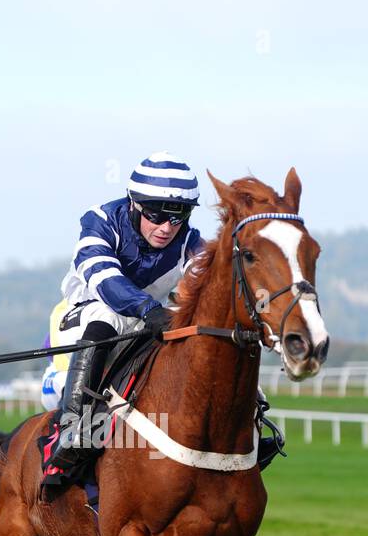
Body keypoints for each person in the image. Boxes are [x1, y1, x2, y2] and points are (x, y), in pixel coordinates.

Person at [39, 151, 283, 488]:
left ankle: (251, 425)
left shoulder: (186, 240)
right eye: (156, 215)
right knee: (105, 315)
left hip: (149, 316)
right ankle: (71, 432)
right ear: (134, 204)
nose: (166, 227)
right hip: (88, 309)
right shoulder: (99, 221)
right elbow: (102, 274)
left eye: (178, 216)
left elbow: (205, 278)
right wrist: (146, 309)